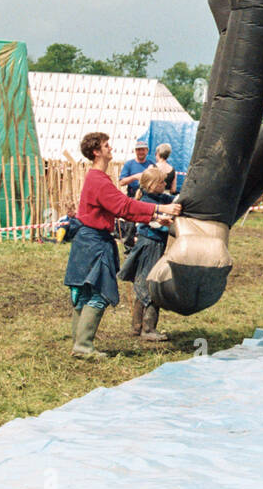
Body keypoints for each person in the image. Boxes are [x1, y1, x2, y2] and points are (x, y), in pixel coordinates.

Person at [63, 133, 180, 359]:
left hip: (88, 241)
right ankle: (83, 346)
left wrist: (153, 218)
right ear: (96, 152)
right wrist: (160, 210)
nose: (110, 148)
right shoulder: (98, 179)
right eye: (106, 145)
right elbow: (123, 206)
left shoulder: (96, 178)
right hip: (94, 243)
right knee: (97, 294)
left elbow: (120, 209)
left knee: (86, 293)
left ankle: (79, 343)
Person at [118, 167, 176, 341]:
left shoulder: (159, 198)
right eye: (161, 182)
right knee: (151, 284)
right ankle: (148, 329)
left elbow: (172, 199)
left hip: (151, 245)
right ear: (151, 185)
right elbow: (155, 223)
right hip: (150, 245)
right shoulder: (148, 202)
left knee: (144, 283)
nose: (165, 184)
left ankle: (137, 326)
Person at [117, 139, 153, 249]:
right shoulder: (129, 164)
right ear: (135, 151)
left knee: (148, 223)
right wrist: (135, 177)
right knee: (130, 224)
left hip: (147, 197)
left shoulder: (151, 165)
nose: (140, 152)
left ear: (147, 151)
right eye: (138, 150)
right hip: (132, 196)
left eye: (142, 150)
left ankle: (145, 247)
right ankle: (129, 249)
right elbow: (122, 182)